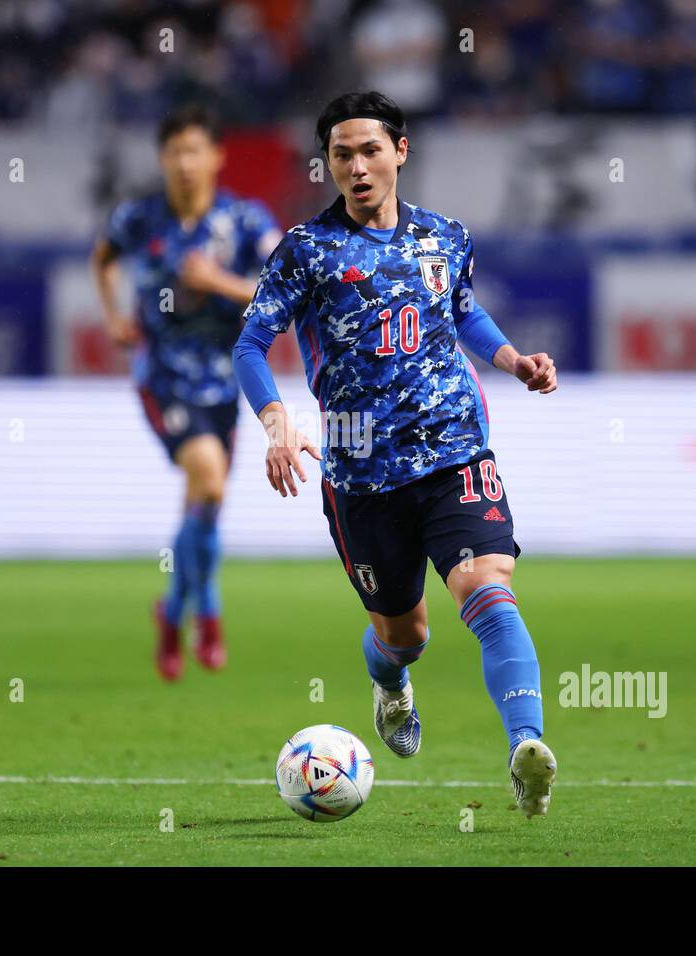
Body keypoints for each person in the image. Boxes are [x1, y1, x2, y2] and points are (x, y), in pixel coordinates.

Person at [231, 91, 560, 817]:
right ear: (327, 165)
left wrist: (510, 360)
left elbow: (462, 310)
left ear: (400, 152)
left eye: (370, 150)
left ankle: (525, 750)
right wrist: (277, 419)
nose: (356, 166)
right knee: (405, 634)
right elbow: (251, 343)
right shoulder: (305, 251)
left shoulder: (445, 237)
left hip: (454, 454)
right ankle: (389, 680)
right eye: (341, 155)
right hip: (361, 476)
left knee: (487, 590)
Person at [93, 105, 280, 681]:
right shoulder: (141, 218)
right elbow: (104, 258)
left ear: (217, 157)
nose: (185, 163)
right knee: (210, 476)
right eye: (175, 152)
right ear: (162, 159)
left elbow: (281, 287)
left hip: (225, 381)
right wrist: (114, 314)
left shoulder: (244, 221)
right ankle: (210, 614)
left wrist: (218, 282)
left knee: (206, 500)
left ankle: (172, 611)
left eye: (195, 150)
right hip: (163, 375)